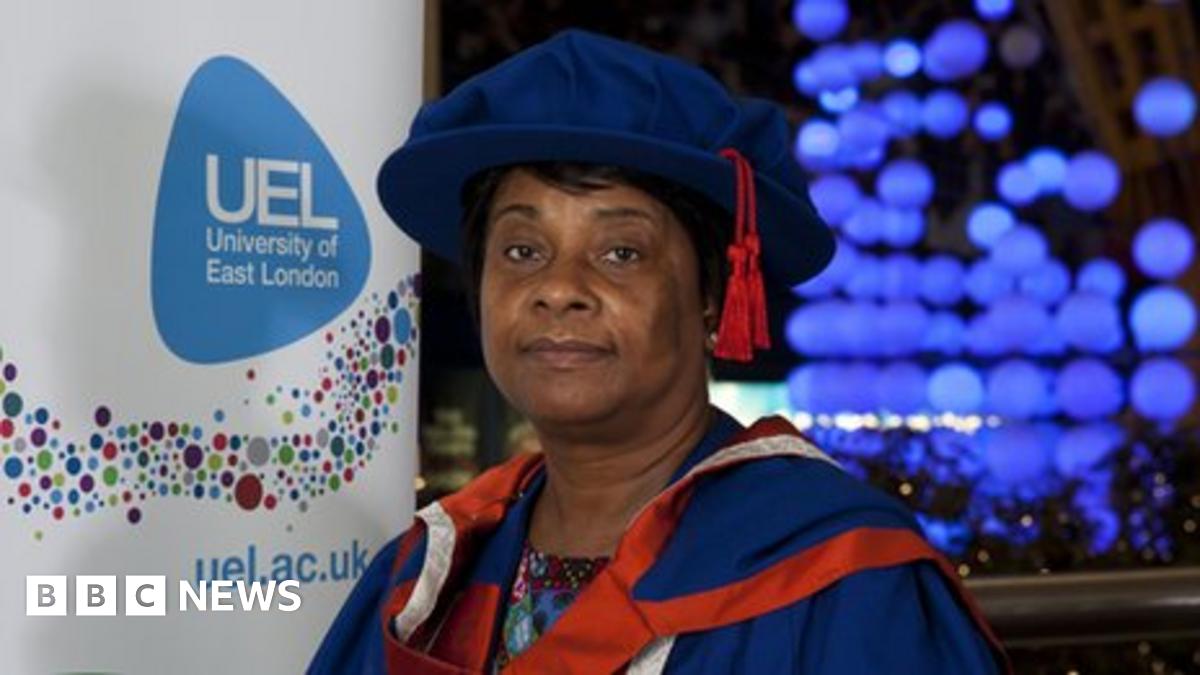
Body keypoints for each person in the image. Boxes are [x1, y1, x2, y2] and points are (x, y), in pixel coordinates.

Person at [309, 29, 1009, 674]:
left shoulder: (843, 580)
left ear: (712, 294)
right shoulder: (429, 573)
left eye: (620, 252)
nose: (559, 289)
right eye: (522, 250)